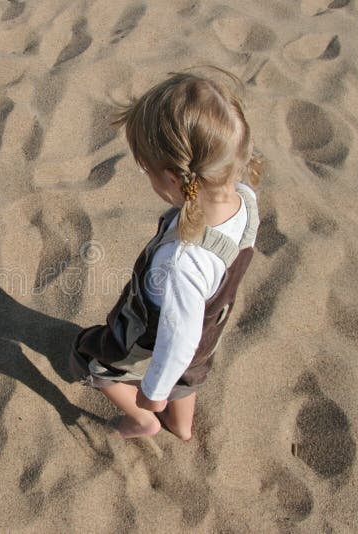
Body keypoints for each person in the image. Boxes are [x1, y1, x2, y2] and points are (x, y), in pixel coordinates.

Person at [70, 69, 262, 439]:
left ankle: (146, 422)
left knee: (90, 360)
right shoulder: (245, 200)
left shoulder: (181, 261)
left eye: (149, 172)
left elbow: (177, 338)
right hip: (209, 334)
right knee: (187, 376)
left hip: (153, 338)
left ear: (175, 179)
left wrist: (153, 394)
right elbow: (190, 344)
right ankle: (183, 425)